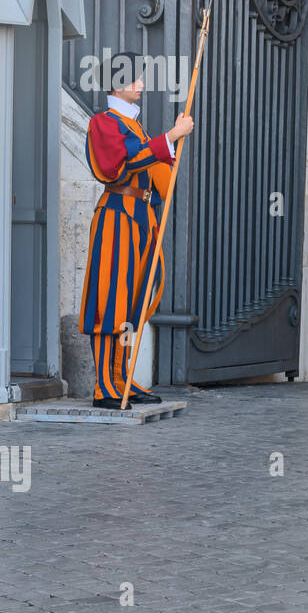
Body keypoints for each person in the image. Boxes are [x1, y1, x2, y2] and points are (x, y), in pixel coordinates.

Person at [78, 52, 194, 409]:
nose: (142, 85)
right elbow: (119, 166)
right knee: (110, 299)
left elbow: (157, 170)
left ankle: (123, 377)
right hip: (117, 217)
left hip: (142, 218)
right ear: (117, 84)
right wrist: (170, 136)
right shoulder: (103, 123)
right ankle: (105, 387)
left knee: (136, 300)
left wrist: (170, 148)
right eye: (135, 80)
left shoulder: (136, 127)